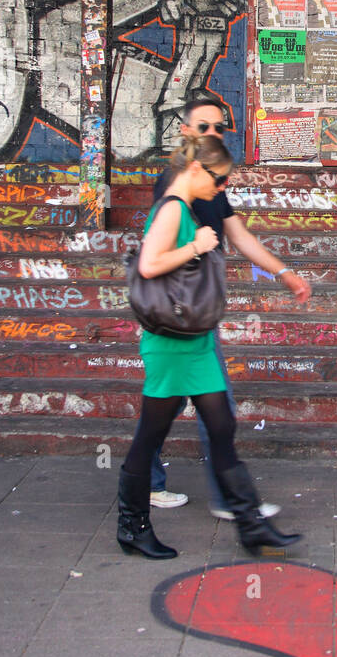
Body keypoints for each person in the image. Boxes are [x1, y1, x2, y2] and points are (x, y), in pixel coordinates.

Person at [117, 130, 302, 559]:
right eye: (219, 180)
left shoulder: (188, 206)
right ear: (197, 168)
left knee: (221, 428)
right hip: (170, 344)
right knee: (151, 434)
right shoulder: (172, 209)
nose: (222, 189)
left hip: (194, 340)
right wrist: (196, 246)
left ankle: (251, 525)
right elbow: (148, 265)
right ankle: (132, 526)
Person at [146, 95, 312, 517]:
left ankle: (148, 487)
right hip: (179, 318)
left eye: (219, 127)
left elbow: (241, 237)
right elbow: (152, 263)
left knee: (175, 407)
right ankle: (228, 500)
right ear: (186, 132)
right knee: (211, 410)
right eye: (204, 127)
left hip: (194, 315)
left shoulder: (209, 185)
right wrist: (196, 246)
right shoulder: (176, 188)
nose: (213, 134)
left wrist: (283, 273)